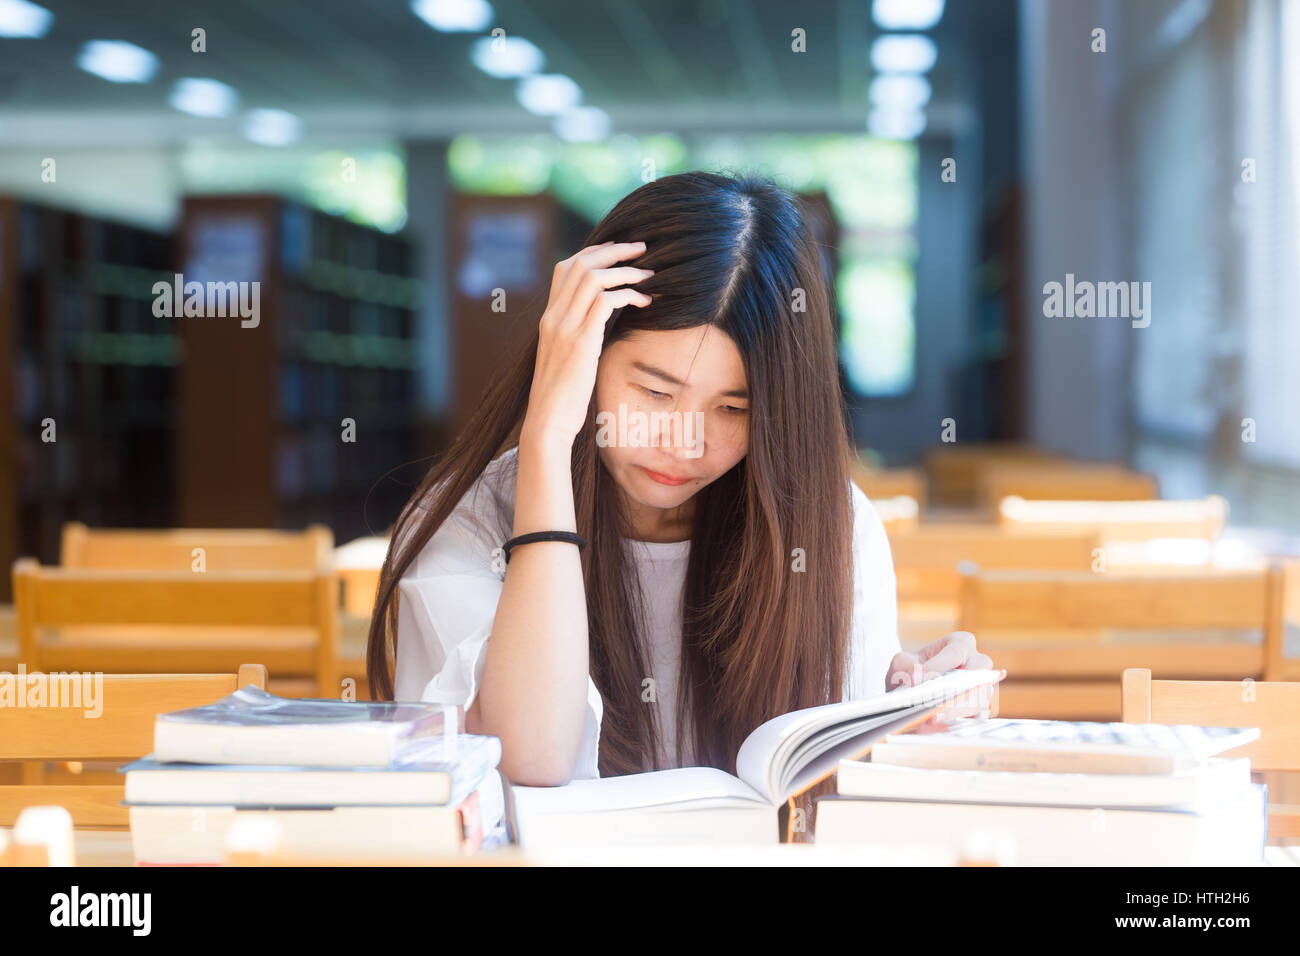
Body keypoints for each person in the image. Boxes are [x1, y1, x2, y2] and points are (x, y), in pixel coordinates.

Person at [366, 170, 991, 787]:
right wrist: (548, 437)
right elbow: (533, 754)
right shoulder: (470, 521)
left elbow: (833, 789)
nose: (683, 442)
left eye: (733, 409)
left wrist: (910, 708)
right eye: (654, 390)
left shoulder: (831, 522)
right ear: (581, 352)